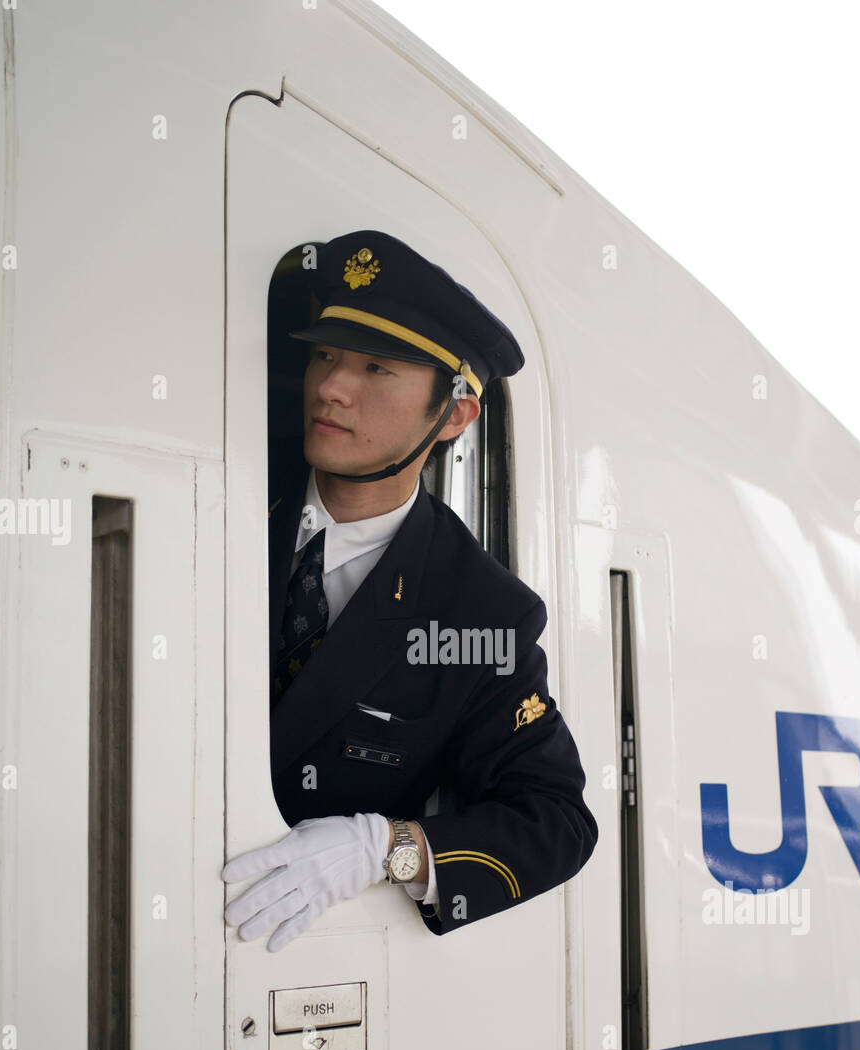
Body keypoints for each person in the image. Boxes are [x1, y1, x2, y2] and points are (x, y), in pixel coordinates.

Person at [222, 230, 597, 951]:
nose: (331, 385)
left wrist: (384, 848)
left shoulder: (478, 611)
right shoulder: (221, 494)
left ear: (454, 414)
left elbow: (556, 823)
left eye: (376, 368)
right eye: (325, 354)